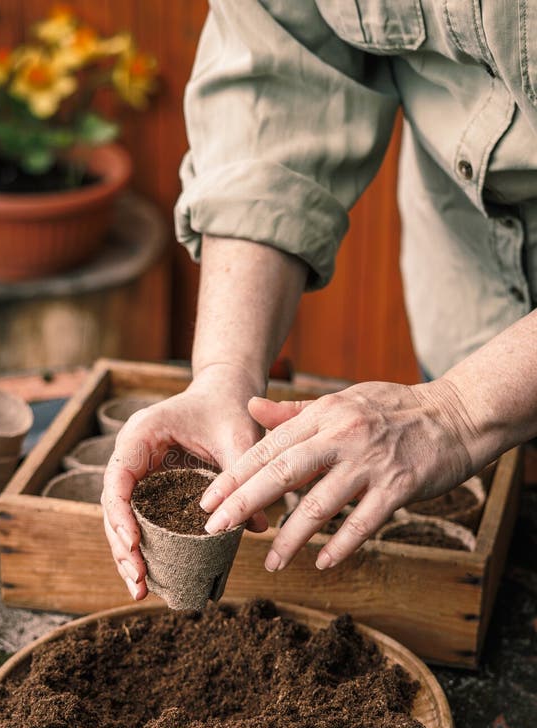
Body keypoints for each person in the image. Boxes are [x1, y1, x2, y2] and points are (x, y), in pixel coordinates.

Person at [102, 1, 537, 601]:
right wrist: (224, 375)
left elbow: (461, 411)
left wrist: (461, 410)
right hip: (473, 300)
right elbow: (278, 78)